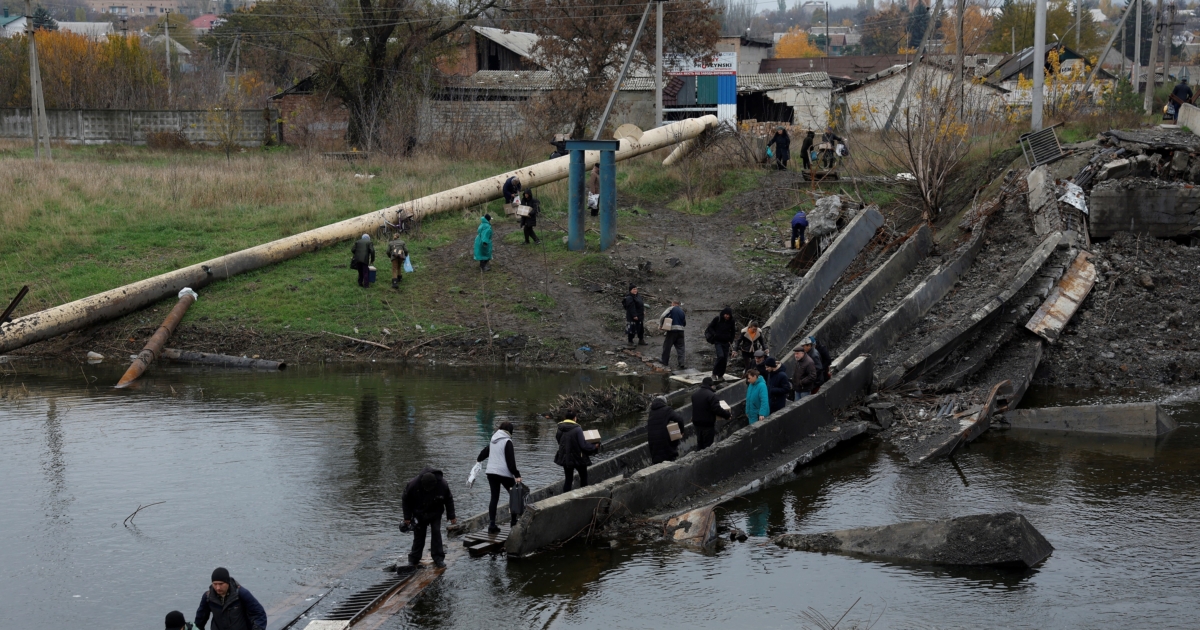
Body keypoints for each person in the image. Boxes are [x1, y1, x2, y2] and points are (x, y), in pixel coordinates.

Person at [402, 467, 457, 568]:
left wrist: (451, 515)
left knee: (436, 533)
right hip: (419, 512)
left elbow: (449, 499)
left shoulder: (443, 485)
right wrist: (407, 517)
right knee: (419, 535)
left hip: (436, 512)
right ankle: (414, 559)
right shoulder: (413, 484)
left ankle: (438, 558)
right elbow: (405, 499)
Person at [476, 421, 522, 534]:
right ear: (510, 431)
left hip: (491, 473)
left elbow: (482, 454)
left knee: (494, 498)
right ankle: (513, 522)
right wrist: (517, 475)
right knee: (514, 495)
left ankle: (492, 525)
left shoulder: (493, 440)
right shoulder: (507, 441)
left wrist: (479, 460)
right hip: (503, 473)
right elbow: (511, 462)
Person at [194, 567, 267, 630]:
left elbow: (259, 614)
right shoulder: (208, 597)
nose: (218, 588)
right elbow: (199, 621)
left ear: (227, 582)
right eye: (215, 584)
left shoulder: (241, 594)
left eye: (221, 584)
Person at [555, 410, 598, 492]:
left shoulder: (560, 428)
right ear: (575, 418)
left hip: (565, 457)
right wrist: (594, 446)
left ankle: (566, 496)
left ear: (565, 418)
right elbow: (583, 445)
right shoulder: (577, 429)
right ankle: (584, 494)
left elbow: (559, 441)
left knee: (568, 479)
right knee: (583, 477)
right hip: (578, 457)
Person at [691, 376, 730, 450]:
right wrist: (727, 415)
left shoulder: (694, 395)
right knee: (707, 446)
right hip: (707, 424)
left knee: (700, 443)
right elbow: (717, 409)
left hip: (697, 424)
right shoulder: (712, 395)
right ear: (711, 385)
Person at [647, 396, 686, 464]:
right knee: (668, 457)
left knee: (657, 459)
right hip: (664, 440)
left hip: (652, 440)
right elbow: (679, 419)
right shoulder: (667, 410)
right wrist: (681, 431)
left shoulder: (651, 412)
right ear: (664, 402)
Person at [705, 306, 737, 379]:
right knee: (720, 356)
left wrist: (731, 340)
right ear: (723, 314)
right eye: (726, 314)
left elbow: (733, 331)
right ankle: (714, 373)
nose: (727, 316)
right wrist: (714, 334)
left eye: (728, 315)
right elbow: (710, 327)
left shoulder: (731, 321)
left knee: (725, 359)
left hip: (726, 342)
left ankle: (720, 375)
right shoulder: (717, 319)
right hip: (718, 341)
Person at [659, 299, 687, 369]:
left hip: (672, 330)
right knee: (681, 347)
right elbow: (684, 323)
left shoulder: (671, 308)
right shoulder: (682, 311)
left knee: (667, 346)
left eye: (671, 304)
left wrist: (661, 325)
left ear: (673, 304)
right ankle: (681, 363)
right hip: (681, 331)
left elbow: (663, 316)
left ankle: (664, 361)